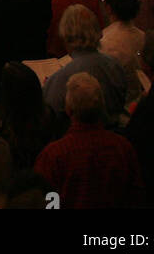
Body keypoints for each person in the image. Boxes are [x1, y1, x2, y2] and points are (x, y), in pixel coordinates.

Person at [35, 72, 144, 208]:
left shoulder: (53, 156)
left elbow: (43, 203)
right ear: (101, 108)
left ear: (68, 110)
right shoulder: (123, 148)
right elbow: (135, 197)